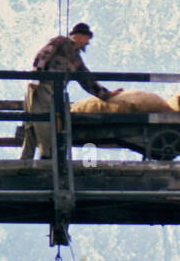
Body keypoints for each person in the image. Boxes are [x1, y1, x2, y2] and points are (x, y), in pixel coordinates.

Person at [21, 22, 121, 160]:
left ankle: (37, 158)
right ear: (79, 37)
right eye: (87, 39)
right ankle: (44, 157)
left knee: (39, 122)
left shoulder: (76, 59)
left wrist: (106, 94)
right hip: (42, 86)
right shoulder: (60, 42)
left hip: (54, 92)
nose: (88, 43)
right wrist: (36, 77)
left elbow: (86, 80)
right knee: (39, 123)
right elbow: (43, 55)